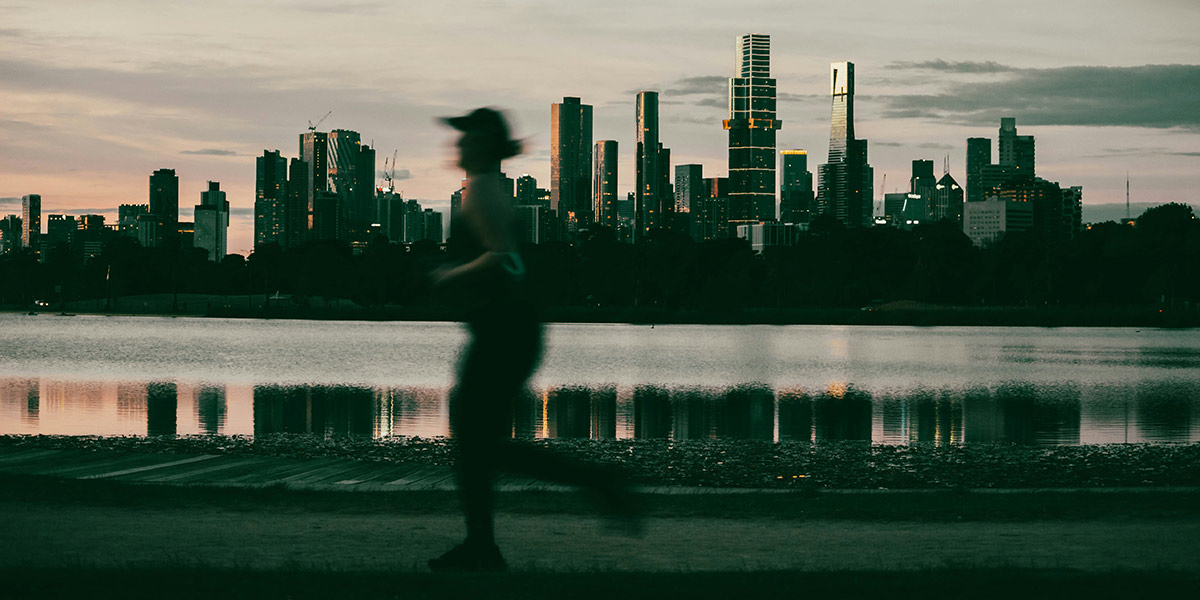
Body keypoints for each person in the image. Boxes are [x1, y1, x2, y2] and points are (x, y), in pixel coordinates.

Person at [429, 108, 638, 572]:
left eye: (467, 137)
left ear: (482, 145)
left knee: (476, 442)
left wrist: (449, 274)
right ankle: (486, 544)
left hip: (504, 332)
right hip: (509, 330)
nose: (458, 145)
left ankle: (592, 484)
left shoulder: (480, 190)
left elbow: (505, 259)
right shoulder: (486, 189)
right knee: (481, 444)